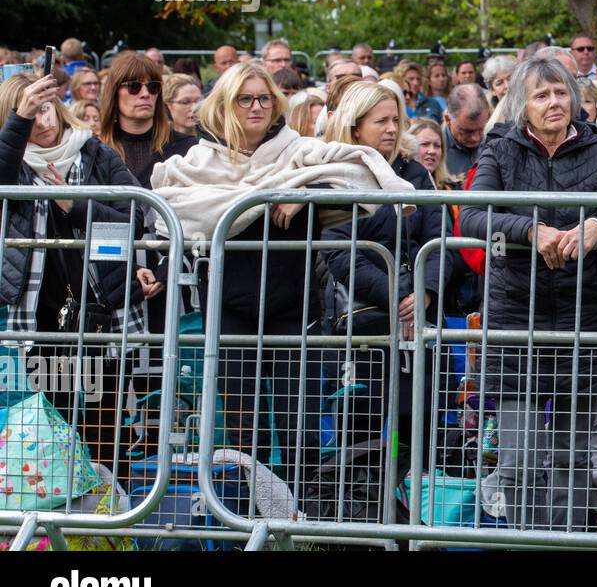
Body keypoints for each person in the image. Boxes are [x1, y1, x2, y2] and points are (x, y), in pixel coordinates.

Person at [150, 62, 412, 477]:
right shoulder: (199, 163)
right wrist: (264, 197)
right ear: (225, 105)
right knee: (242, 427)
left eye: (264, 98)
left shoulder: (300, 154)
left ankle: (301, 522)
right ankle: (245, 517)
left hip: (293, 309)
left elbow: (356, 173)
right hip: (230, 309)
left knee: (299, 426)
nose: (256, 107)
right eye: (245, 99)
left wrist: (302, 189)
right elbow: (175, 207)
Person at [457, 56, 597, 532]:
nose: (554, 103)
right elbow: (472, 215)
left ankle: (570, 541)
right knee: (520, 457)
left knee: (575, 457)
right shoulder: (499, 150)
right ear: (521, 106)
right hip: (517, 318)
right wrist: (530, 231)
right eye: (541, 95)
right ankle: (529, 541)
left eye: (560, 93)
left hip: (586, 316)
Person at [0, 72, 149, 466]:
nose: (45, 122)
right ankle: (58, 517)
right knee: (50, 426)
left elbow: (136, 215)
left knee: (104, 427)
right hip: (42, 317)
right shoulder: (13, 165)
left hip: (105, 310)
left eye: (47, 109)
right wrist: (20, 118)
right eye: (32, 116)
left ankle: (107, 514)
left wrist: (74, 204)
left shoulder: (94, 152)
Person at [321, 81, 466, 451]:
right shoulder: (334, 172)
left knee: (425, 430)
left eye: (395, 120)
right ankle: (362, 506)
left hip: (422, 321)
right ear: (355, 126)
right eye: (380, 121)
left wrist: (426, 293)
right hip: (364, 323)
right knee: (362, 437)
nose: (391, 128)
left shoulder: (415, 173)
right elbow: (339, 250)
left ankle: (419, 505)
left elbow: (441, 240)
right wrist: (400, 296)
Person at [98, 51, 196, 188]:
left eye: (153, 87)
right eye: (134, 86)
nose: (145, 94)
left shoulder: (188, 148)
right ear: (114, 93)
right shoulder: (95, 151)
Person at [442, 83, 491, 177]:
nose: (475, 138)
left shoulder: (496, 142)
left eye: (481, 129)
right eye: (467, 131)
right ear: (448, 119)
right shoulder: (434, 151)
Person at [410, 116, 461, 189]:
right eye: (425, 144)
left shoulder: (451, 188)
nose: (432, 151)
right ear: (409, 147)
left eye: (437, 146)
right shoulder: (398, 184)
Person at [163, 73, 202, 138]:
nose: (194, 107)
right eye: (185, 102)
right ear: (168, 105)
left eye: (198, 101)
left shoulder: (212, 138)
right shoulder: (159, 141)